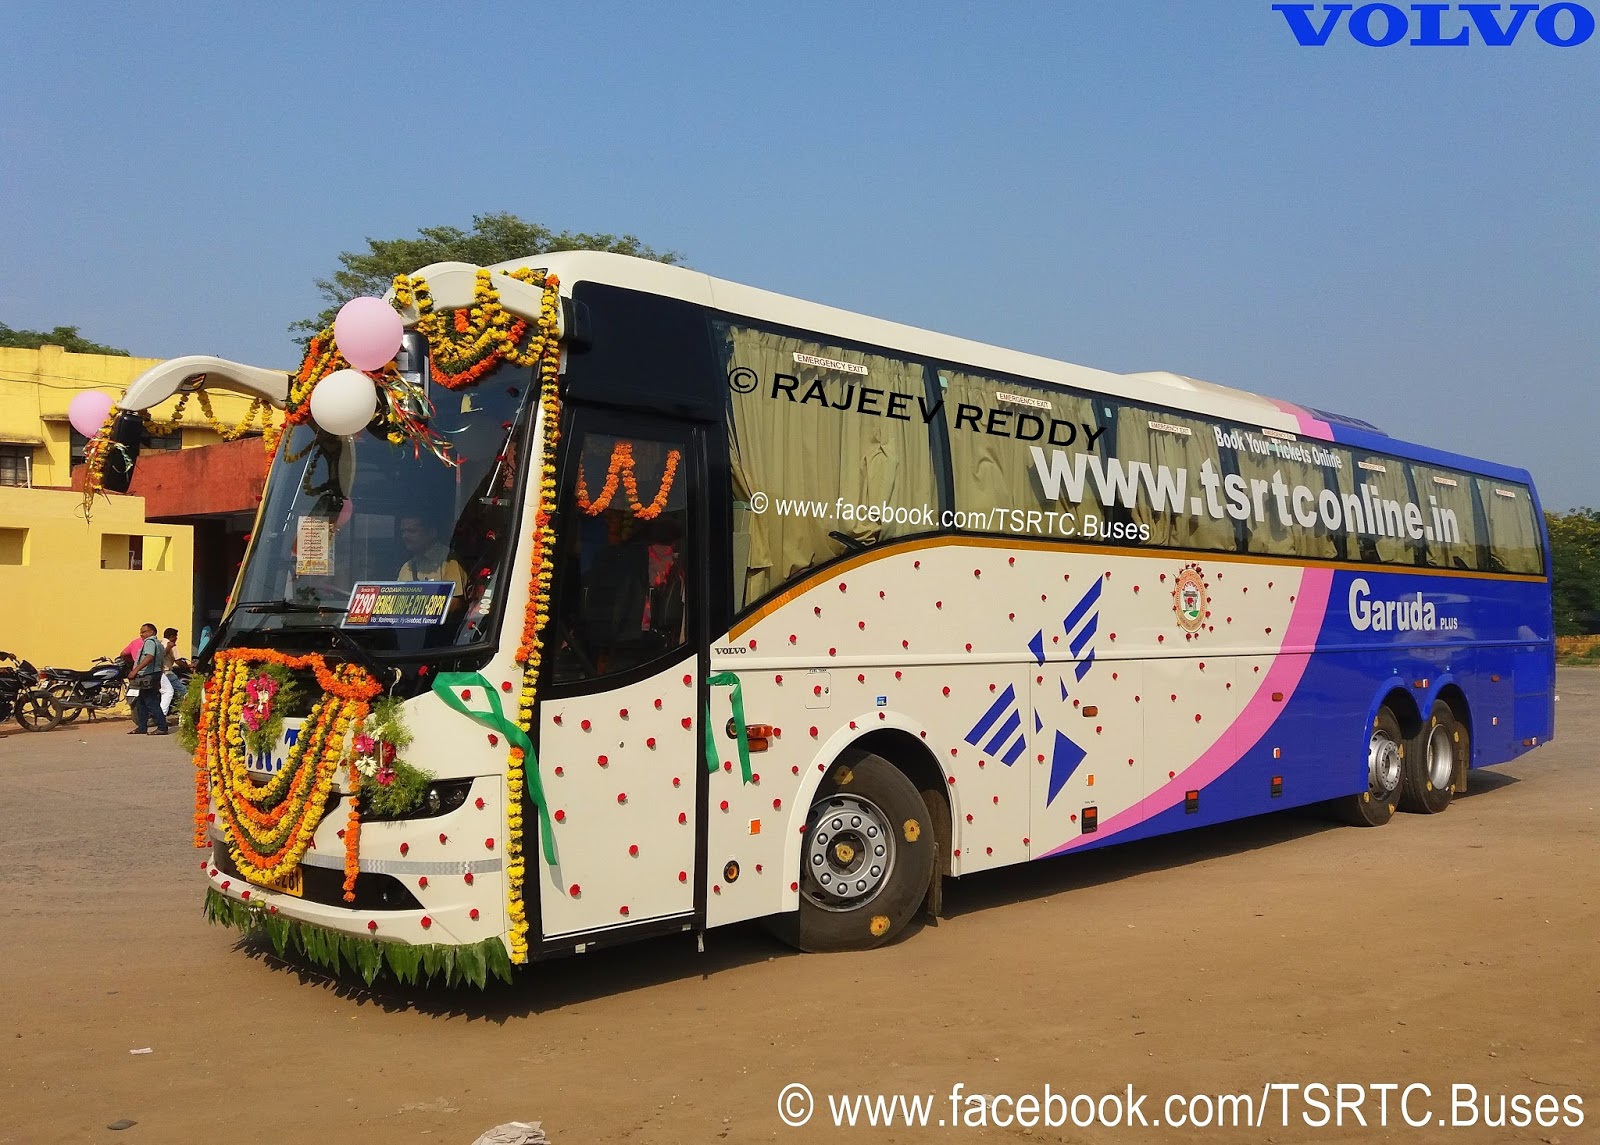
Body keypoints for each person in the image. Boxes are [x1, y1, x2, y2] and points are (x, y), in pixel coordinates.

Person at [397, 515, 467, 600]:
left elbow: (456, 602)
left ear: (432, 532)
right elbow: (397, 602)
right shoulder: (407, 567)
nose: (405, 536)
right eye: (403, 532)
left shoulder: (449, 560)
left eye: (412, 531)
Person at [126, 622, 169, 735]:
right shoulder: (158, 643)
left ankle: (162, 727)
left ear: (152, 632)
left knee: (151, 702)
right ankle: (142, 727)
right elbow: (160, 660)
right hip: (153, 674)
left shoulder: (150, 642)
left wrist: (135, 670)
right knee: (141, 702)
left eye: (144, 631)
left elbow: (149, 657)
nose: (141, 634)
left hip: (147, 675)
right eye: (141, 632)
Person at [159, 627, 187, 715]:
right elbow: (178, 661)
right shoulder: (171, 645)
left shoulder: (159, 643)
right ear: (171, 636)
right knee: (184, 692)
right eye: (176, 636)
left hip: (159, 673)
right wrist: (189, 666)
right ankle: (184, 713)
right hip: (167, 673)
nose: (176, 638)